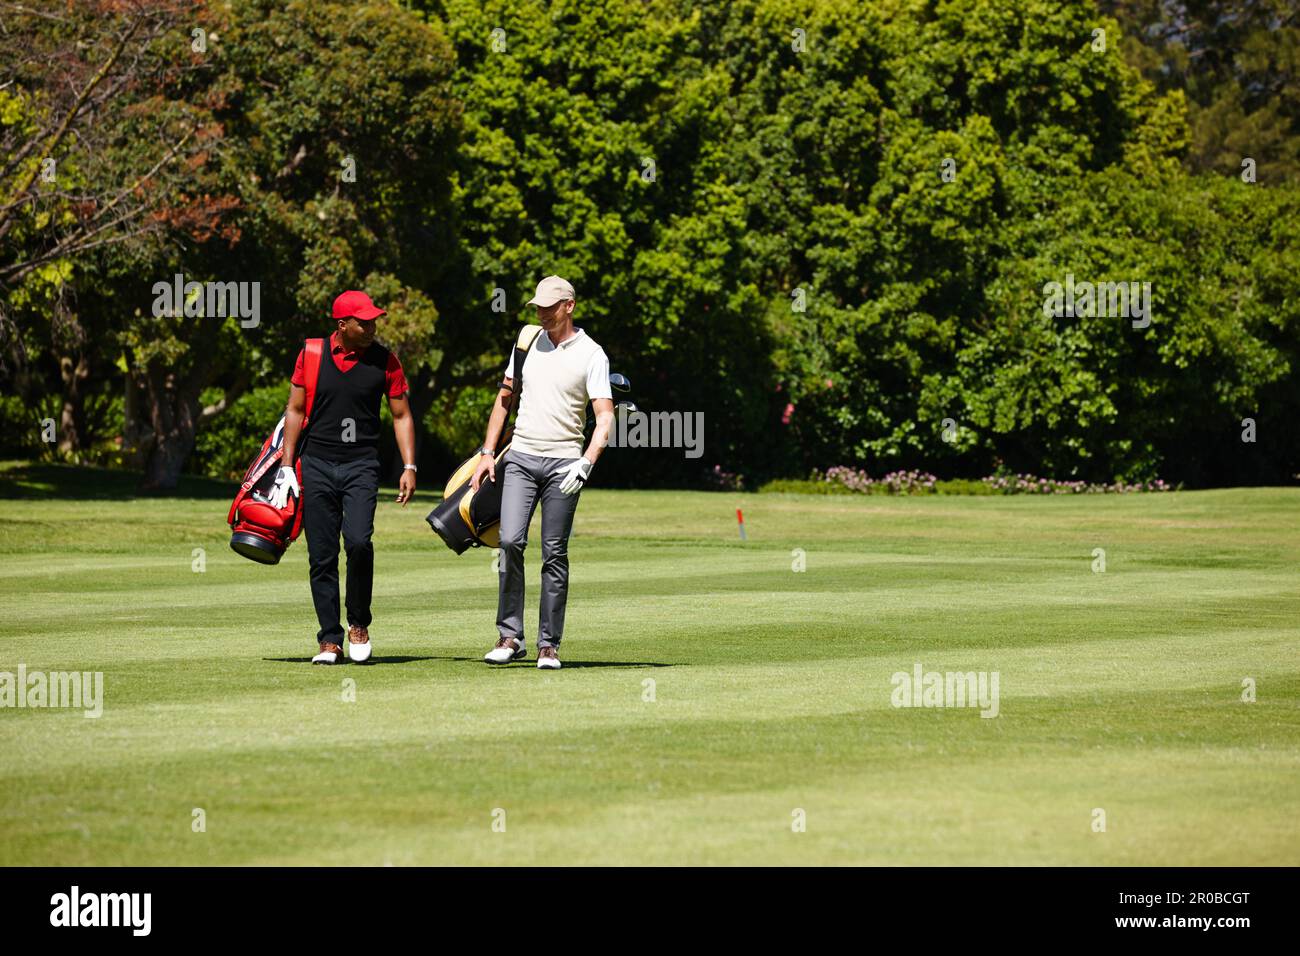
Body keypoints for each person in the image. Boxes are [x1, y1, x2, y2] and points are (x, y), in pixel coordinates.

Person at [472, 275, 614, 669]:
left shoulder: (592, 354)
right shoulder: (527, 341)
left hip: (565, 464)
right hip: (521, 456)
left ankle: (548, 645)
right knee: (511, 542)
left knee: (554, 552)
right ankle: (509, 636)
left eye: (550, 307)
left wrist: (587, 461)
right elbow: (504, 400)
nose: (542, 313)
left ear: (569, 305)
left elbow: (604, 417)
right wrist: (487, 452)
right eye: (538, 307)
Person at [274, 290, 417, 665]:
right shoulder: (312, 353)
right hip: (316, 463)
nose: (372, 328)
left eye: (373, 321)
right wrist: (288, 466)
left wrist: (409, 466)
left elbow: (401, 415)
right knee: (321, 555)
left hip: (361, 466)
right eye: (364, 322)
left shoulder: (385, 361)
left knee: (357, 542)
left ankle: (358, 624)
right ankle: (329, 640)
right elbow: (294, 409)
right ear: (342, 325)